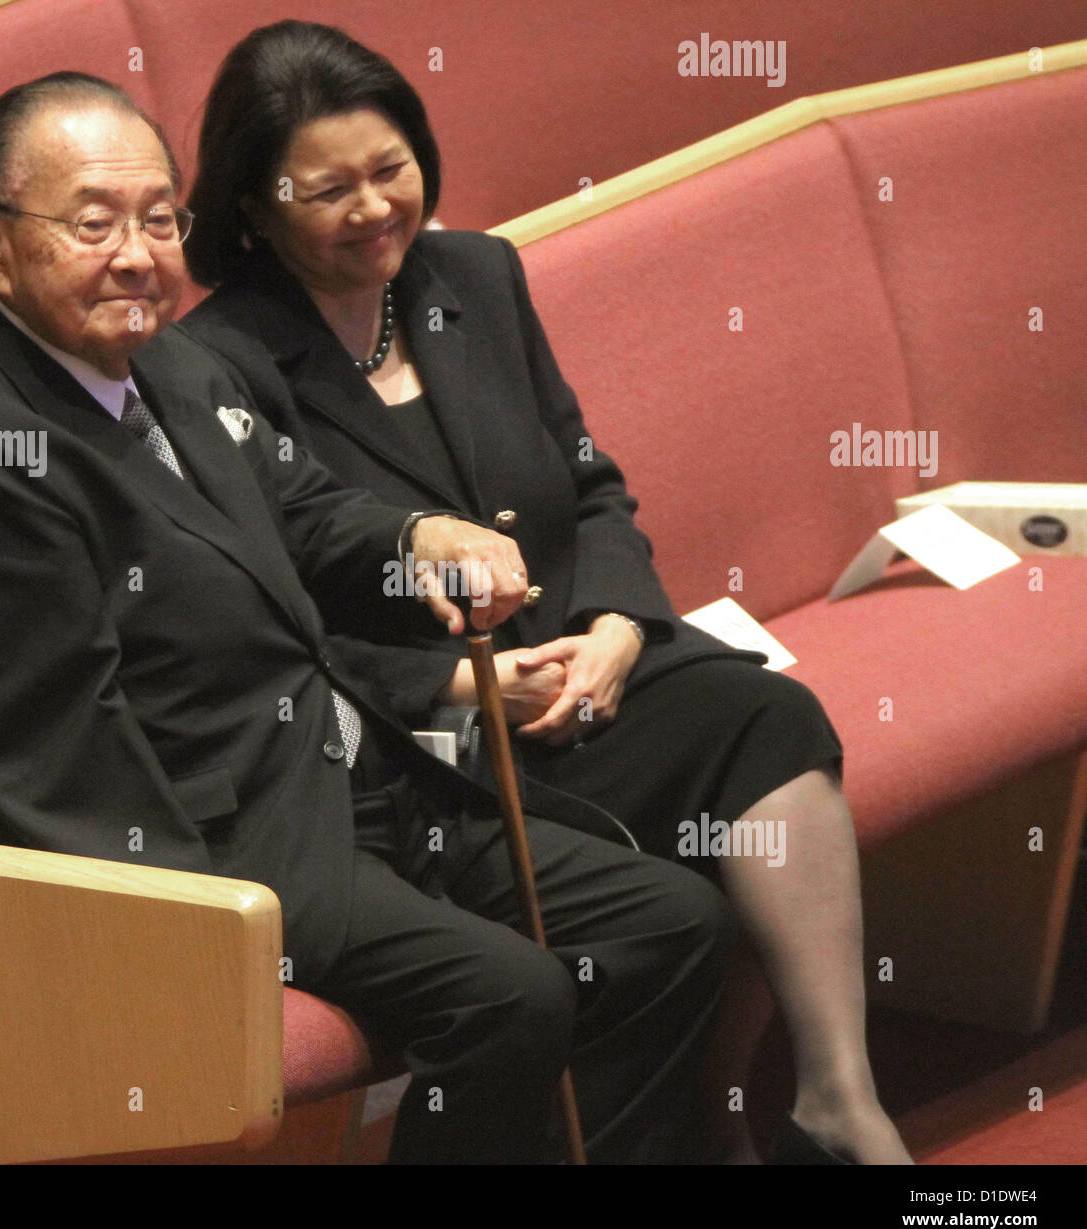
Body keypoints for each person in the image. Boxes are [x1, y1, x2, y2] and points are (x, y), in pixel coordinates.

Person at [0, 71, 737, 1165]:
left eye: (159, 220)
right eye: (92, 225)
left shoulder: (170, 360)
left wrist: (416, 539)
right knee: (511, 998)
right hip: (237, 843)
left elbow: (301, 510)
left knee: (670, 925)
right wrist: (195, 933)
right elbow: (58, 746)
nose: (139, 254)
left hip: (360, 776)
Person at [178, 21, 912, 1164]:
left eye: (391, 169)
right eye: (330, 190)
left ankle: (834, 1100)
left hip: (586, 668)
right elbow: (275, 617)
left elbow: (588, 481)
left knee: (766, 715)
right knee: (667, 920)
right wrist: (464, 690)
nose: (375, 208)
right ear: (254, 208)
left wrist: (617, 625)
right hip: (424, 739)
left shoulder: (475, 274)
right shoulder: (217, 365)